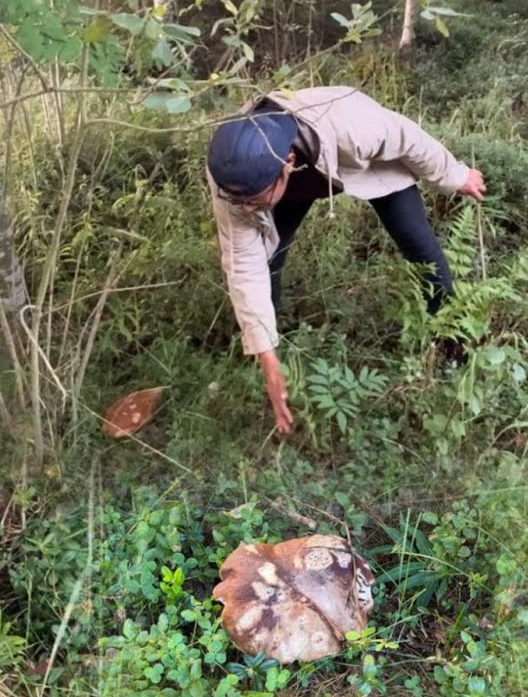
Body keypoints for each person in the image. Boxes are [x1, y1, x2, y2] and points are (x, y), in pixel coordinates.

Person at [206, 86, 486, 435]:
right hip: (287, 181)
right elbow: (243, 264)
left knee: (420, 249)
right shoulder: (231, 171)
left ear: (287, 165)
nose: (245, 209)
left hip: (366, 164)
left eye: (252, 201)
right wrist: (268, 361)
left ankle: (451, 349)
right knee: (266, 258)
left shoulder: (352, 126)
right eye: (240, 202)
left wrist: (457, 176)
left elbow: (409, 137)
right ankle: (271, 345)